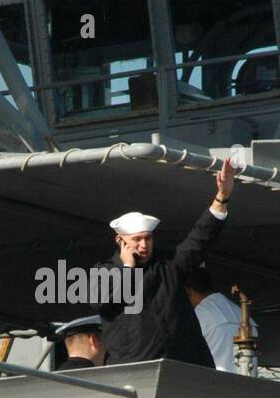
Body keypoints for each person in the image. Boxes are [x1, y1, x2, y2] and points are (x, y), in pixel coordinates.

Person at [96, 158, 236, 366]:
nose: (144, 245)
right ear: (120, 240)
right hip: (133, 367)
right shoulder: (103, 272)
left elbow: (200, 239)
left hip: (180, 365)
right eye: (137, 239)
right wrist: (127, 270)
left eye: (148, 238)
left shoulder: (169, 265)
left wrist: (221, 198)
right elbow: (105, 304)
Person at [186, 264, 258, 374]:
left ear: (188, 291)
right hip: (247, 388)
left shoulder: (198, 316)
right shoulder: (243, 315)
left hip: (212, 387)